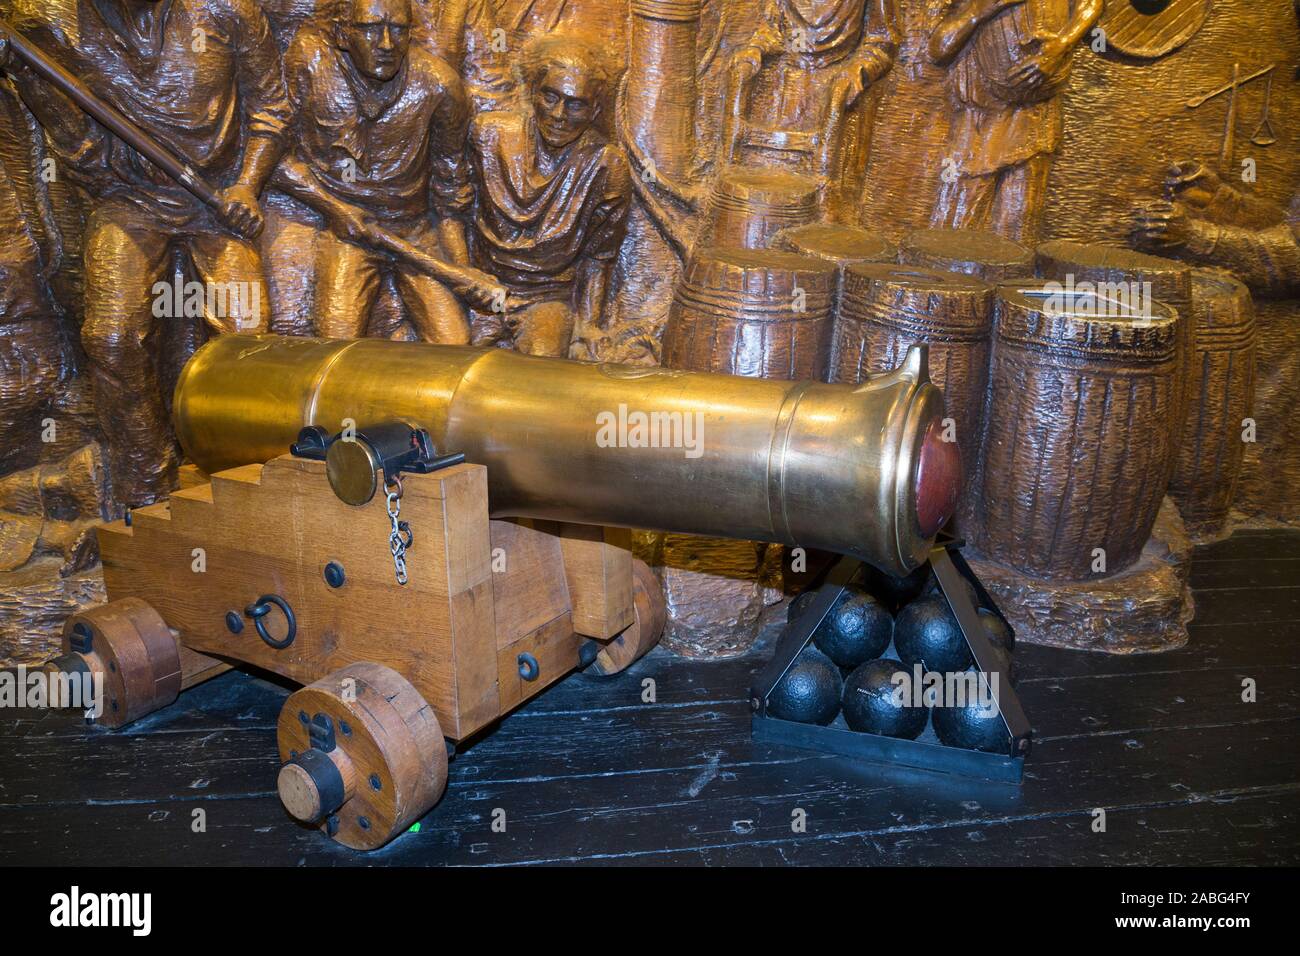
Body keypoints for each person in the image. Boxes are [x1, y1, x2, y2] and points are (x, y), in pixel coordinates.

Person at [2, 0, 290, 506]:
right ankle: (146, 484)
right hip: (130, 202)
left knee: (249, 345)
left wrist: (248, 186)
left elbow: (273, 109)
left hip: (218, 200)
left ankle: (249, 488)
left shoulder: (226, 11)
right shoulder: (53, 25)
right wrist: (28, 80)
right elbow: (78, 145)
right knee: (111, 337)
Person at [274, 0, 498, 341]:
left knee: (454, 345)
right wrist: (335, 209)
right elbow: (275, 155)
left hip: (414, 232)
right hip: (350, 232)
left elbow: (451, 192)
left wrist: (462, 270)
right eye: (369, 29)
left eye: (398, 30)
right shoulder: (311, 64)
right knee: (336, 342)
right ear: (341, 34)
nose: (386, 44)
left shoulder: (439, 86)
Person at [467, 32, 630, 357]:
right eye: (551, 97)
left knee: (540, 377)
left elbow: (599, 256)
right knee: (438, 363)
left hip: (545, 297)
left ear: (595, 109)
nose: (558, 114)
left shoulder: (607, 166)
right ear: (533, 93)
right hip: (477, 287)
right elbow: (453, 210)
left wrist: (588, 325)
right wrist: (463, 277)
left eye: (576, 104)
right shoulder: (489, 136)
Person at [927, 0, 1101, 243]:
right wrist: (981, 11)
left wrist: (1062, 45)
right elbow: (937, 49)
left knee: (1019, 224)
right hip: (977, 123)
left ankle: (1011, 277)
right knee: (955, 222)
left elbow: (1091, 4)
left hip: (1035, 116)